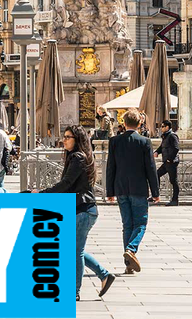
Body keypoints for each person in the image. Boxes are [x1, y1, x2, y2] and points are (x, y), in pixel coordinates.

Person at [39, 125, 116, 301]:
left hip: (83, 211)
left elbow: (66, 183)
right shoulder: (77, 157)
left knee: (75, 251)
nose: (64, 140)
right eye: (64, 136)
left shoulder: (78, 158)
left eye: (68, 137)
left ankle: (74, 291)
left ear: (77, 140)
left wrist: (43, 194)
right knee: (73, 249)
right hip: (81, 209)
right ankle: (104, 275)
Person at [105, 110, 159, 274]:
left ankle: (128, 263)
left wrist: (110, 191)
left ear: (124, 123)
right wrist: (155, 191)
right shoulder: (144, 141)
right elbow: (151, 168)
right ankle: (131, 249)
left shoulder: (114, 141)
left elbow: (110, 168)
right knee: (141, 223)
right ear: (140, 124)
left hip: (121, 188)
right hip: (139, 188)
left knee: (127, 224)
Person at [155, 119, 181, 206]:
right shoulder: (165, 136)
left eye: (162, 126)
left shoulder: (172, 136)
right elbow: (162, 146)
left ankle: (175, 200)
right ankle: (156, 195)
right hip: (167, 162)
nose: (161, 128)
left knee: (173, 181)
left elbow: (176, 148)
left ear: (167, 127)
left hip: (171, 162)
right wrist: (156, 152)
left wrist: (170, 159)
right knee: (157, 174)